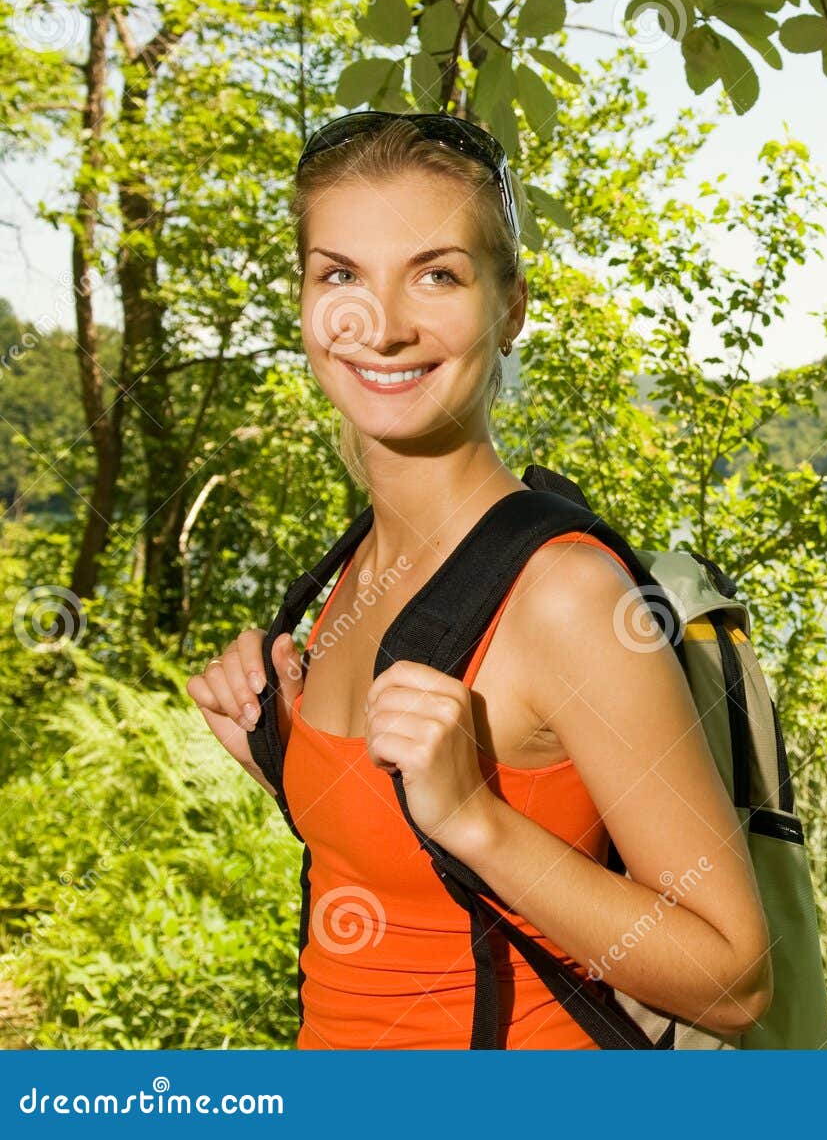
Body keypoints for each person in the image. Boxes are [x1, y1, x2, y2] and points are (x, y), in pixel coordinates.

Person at [185, 111, 771, 1049]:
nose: (381, 326)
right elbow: (407, 895)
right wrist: (278, 754)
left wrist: (477, 818)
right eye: (340, 274)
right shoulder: (350, 574)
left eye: (437, 274)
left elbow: (733, 981)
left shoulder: (565, 595)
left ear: (511, 307)